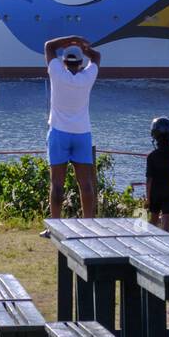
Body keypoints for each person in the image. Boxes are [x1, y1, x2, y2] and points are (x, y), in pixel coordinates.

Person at [45, 35, 101, 219]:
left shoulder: (57, 74)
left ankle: (55, 224)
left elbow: (49, 46)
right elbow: (97, 57)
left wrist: (72, 40)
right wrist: (84, 47)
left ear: (64, 61)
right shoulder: (87, 78)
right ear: (81, 62)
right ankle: (88, 223)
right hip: (82, 133)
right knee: (85, 184)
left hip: (59, 132)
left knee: (57, 184)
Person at [145, 117, 169, 232]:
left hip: (155, 191)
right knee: (167, 221)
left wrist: (148, 198)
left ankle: (151, 242)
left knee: (153, 219)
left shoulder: (152, 156)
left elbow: (149, 179)